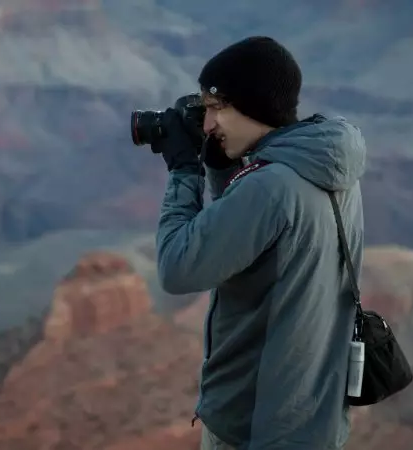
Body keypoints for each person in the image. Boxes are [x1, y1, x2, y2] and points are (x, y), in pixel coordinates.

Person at [151, 36, 367, 450]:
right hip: (312, 416)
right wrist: (219, 165)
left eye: (217, 107)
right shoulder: (327, 166)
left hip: (256, 427)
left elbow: (176, 267)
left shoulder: (270, 187)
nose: (208, 123)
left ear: (254, 105)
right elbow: (246, 232)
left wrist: (183, 170)